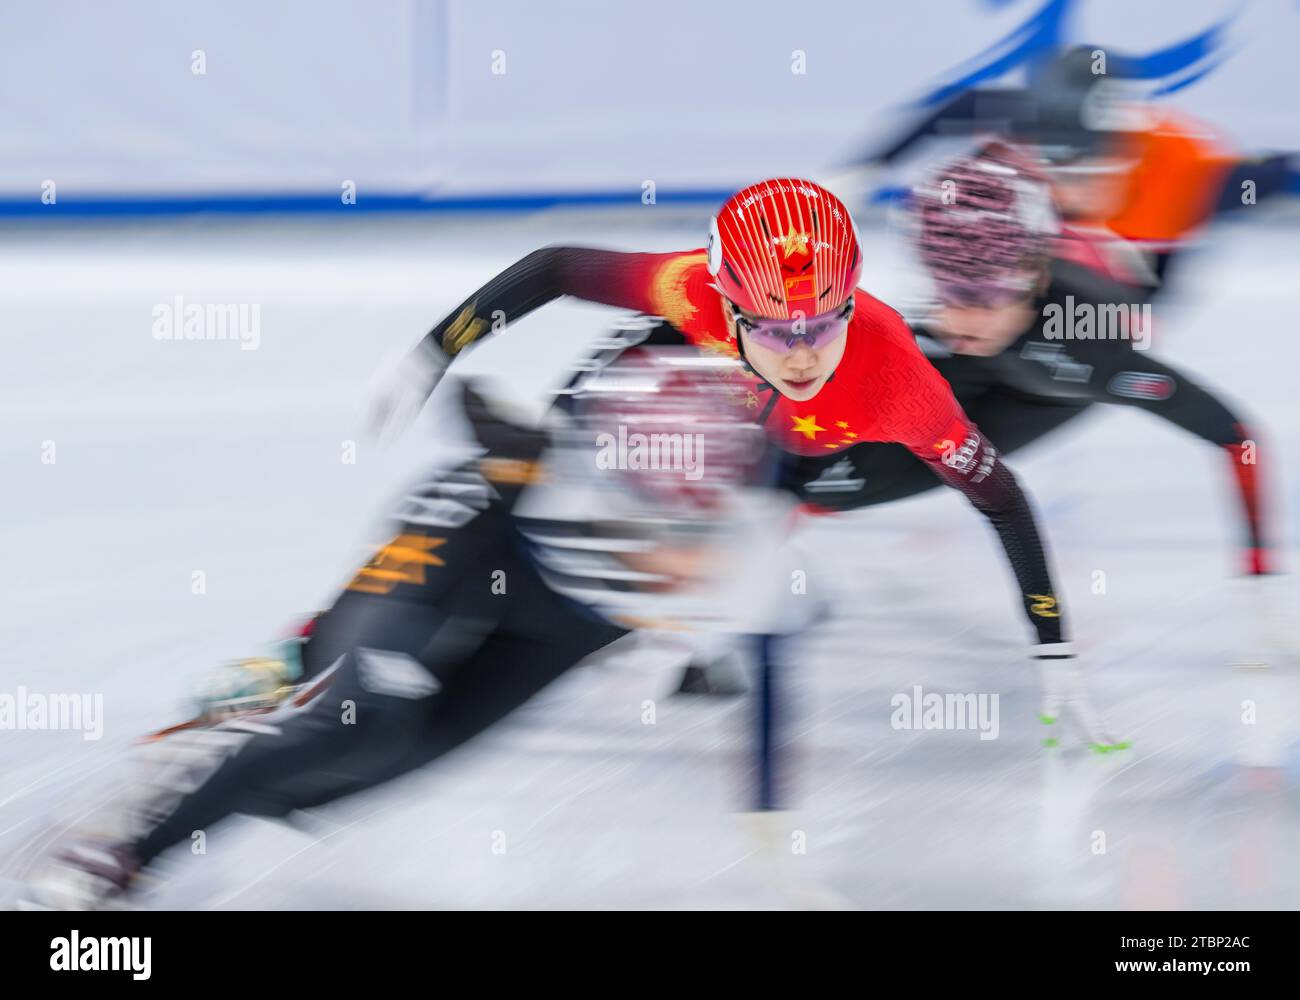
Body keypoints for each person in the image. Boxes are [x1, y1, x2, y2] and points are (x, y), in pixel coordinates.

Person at [369, 177, 1123, 748]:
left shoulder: (899, 385)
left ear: (854, 306)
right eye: (772, 328)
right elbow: (555, 268)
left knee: (736, 531)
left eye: (823, 327)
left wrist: (1053, 645)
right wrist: (438, 347)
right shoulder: (690, 291)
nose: (801, 354)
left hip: (794, 456)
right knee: (651, 370)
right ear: (728, 305)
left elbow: (1001, 498)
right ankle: (568, 462)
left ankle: (675, 601)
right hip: (694, 405)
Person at [26, 348, 791, 909]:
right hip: (482, 531)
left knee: (377, 767)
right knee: (361, 720)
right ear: (608, 486)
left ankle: (248, 715)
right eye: (664, 530)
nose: (684, 562)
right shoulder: (546, 475)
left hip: (570, 618)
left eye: (703, 533)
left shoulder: (743, 552)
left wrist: (766, 812)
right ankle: (119, 849)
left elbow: (771, 645)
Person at [806, 144, 1290, 665]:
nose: (965, 316)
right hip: (1008, 348)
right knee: (821, 466)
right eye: (949, 292)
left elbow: (1237, 437)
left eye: (986, 295)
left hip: (1054, 380)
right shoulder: (960, 325)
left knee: (844, 480)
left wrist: (1262, 592)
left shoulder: (1093, 343)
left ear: (1031, 281)